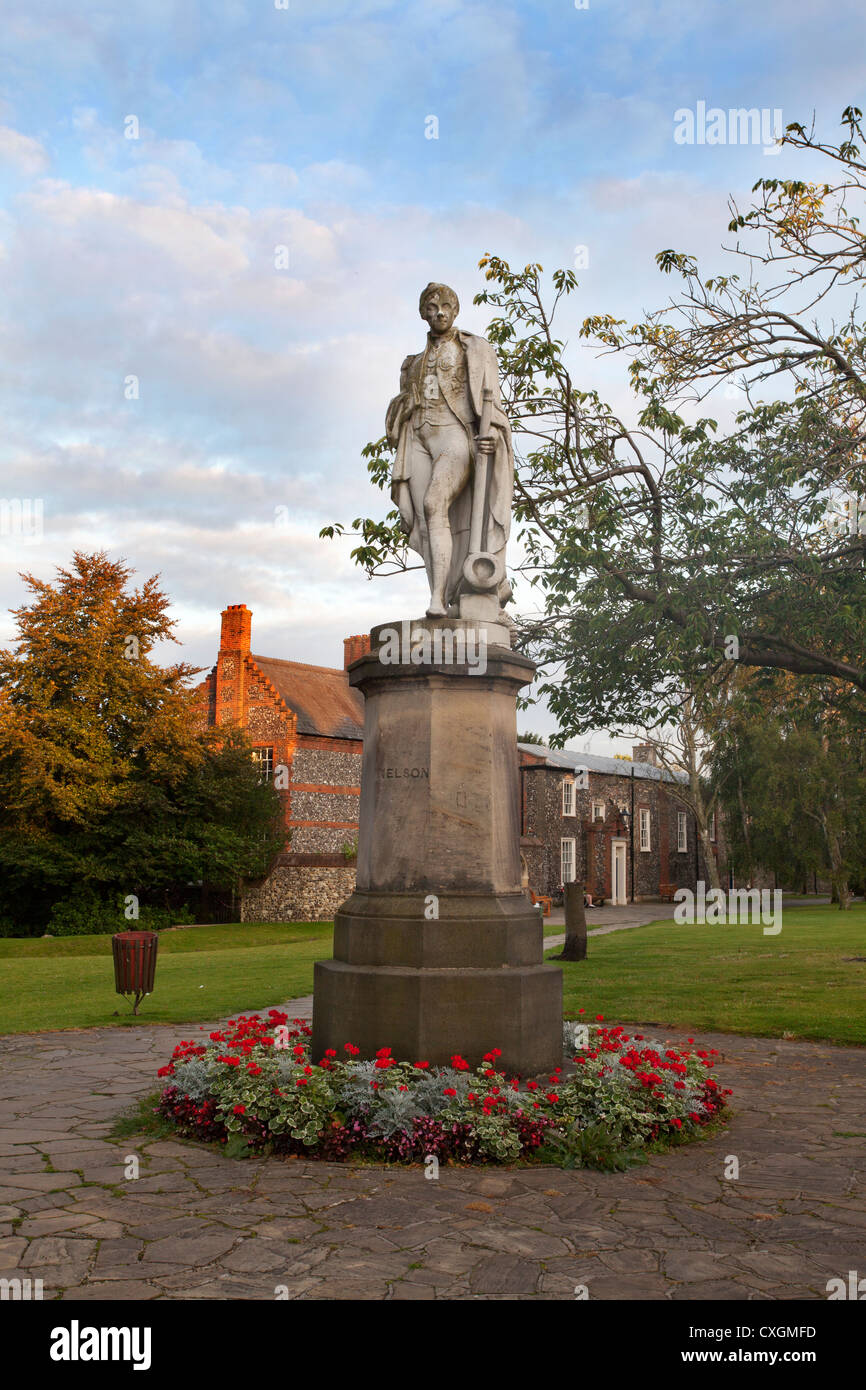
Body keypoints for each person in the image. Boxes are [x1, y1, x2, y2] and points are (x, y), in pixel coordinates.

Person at [386, 282, 513, 618]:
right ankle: (441, 598)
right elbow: (401, 408)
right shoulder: (412, 363)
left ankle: (439, 600)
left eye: (445, 306)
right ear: (422, 313)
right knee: (426, 522)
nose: (439, 312)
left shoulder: (475, 348)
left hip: (455, 437)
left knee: (433, 502)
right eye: (431, 306)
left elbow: (492, 404)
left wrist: (494, 436)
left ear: (455, 311)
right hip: (418, 438)